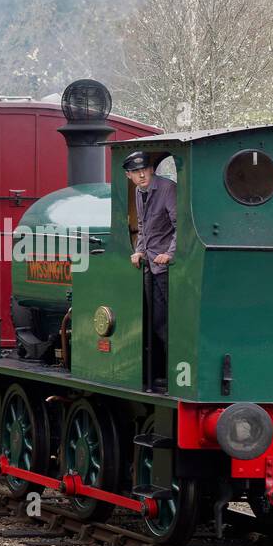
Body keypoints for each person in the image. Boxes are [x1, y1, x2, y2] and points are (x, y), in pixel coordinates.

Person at [124, 150, 176, 391]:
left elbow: (179, 225)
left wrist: (171, 253)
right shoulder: (138, 192)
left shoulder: (167, 189)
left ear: (151, 170)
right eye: (136, 171)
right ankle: (162, 372)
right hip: (150, 265)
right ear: (129, 175)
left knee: (170, 320)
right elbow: (143, 227)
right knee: (157, 321)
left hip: (166, 266)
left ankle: (175, 373)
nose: (141, 174)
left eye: (144, 169)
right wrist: (139, 250)